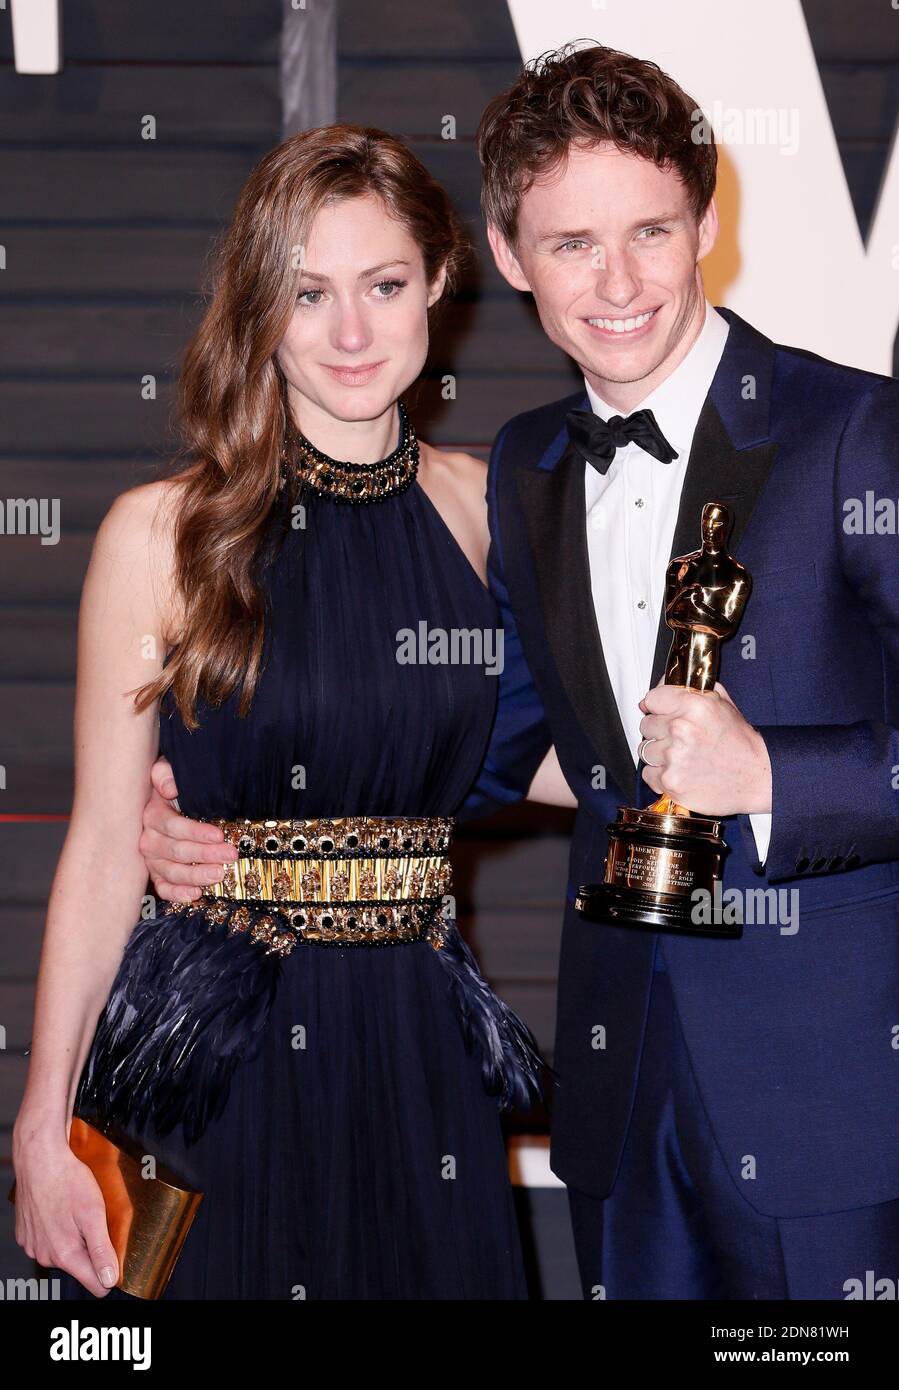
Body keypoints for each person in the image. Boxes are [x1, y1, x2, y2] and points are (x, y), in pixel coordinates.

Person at [145, 41, 899, 1301]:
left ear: (704, 226)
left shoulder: (853, 431)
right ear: (503, 257)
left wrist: (773, 773)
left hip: (823, 1097)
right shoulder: (525, 466)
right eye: (569, 245)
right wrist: (224, 826)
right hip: (615, 1101)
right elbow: (482, 737)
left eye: (649, 232)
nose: (617, 282)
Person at [11, 124, 567, 1301]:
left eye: (383, 285)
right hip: (212, 1050)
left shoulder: (494, 509)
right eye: (308, 293)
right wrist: (39, 1121)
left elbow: (562, 756)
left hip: (417, 1041)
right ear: (261, 305)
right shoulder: (160, 533)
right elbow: (108, 843)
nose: (351, 332)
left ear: (439, 281)